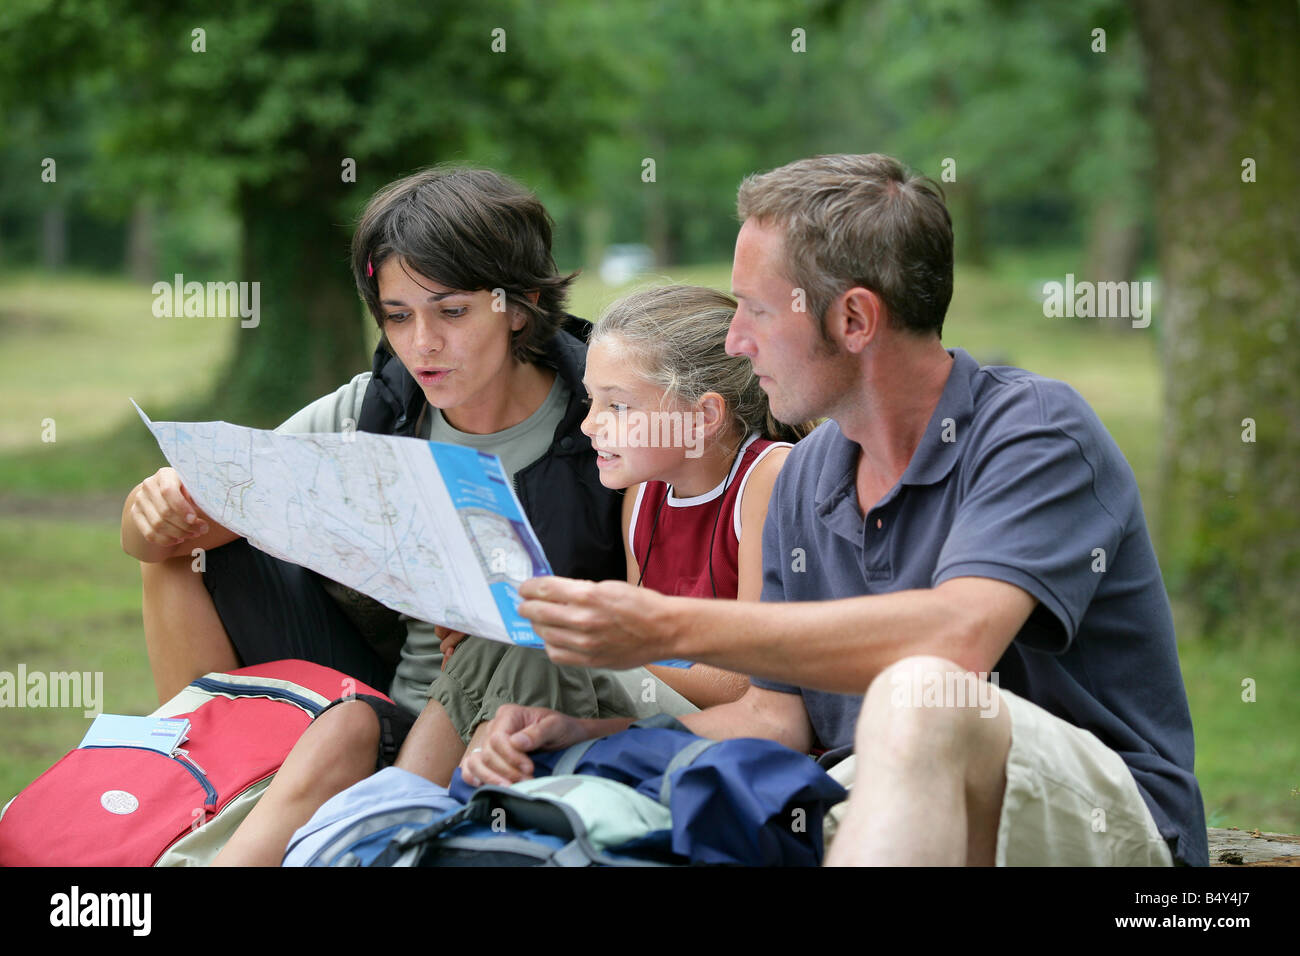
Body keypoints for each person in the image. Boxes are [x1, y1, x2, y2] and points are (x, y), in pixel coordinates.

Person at [460, 153, 1209, 868]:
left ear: (854, 320)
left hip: (1108, 829)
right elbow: (771, 723)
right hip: (871, 809)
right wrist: (593, 734)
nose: (735, 339)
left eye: (756, 309)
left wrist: (663, 626)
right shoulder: (810, 473)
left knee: (922, 692)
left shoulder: (1035, 433)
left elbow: (957, 638)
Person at [121, 165, 651, 863]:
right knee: (186, 555)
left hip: (530, 718)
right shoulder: (377, 408)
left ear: (518, 305)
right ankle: (216, 784)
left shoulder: (605, 418)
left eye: (451, 311)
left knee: (505, 624)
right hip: (378, 707)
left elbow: (661, 625)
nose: (422, 343)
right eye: (397, 315)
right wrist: (151, 514)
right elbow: (174, 527)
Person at [218, 283, 805, 865]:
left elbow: (743, 684)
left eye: (617, 406)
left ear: (703, 415)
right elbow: (639, 648)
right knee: (502, 636)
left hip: (717, 730)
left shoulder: (765, 482)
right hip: (657, 707)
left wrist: (586, 637)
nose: (590, 424)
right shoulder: (644, 496)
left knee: (532, 646)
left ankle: (414, 828)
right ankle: (398, 817)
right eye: (592, 401)